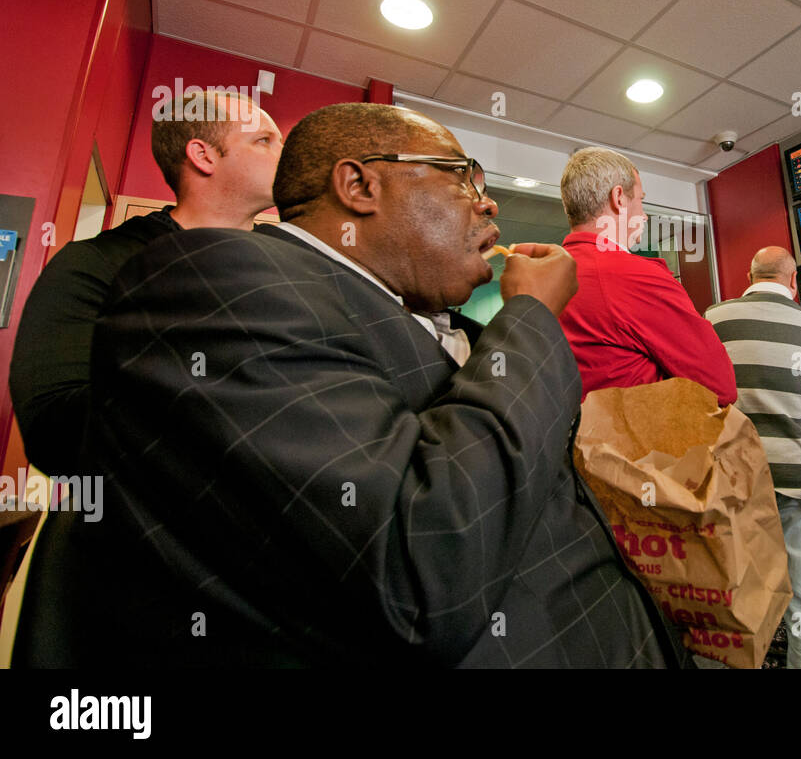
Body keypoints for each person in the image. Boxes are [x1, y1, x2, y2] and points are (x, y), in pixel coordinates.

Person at [13, 103, 686, 668]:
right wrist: (531, 319)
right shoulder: (220, 283)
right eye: (460, 177)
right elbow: (426, 565)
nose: (488, 202)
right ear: (360, 187)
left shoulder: (424, 318)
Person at [9, 89, 282, 477]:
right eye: (264, 141)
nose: (285, 154)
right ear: (204, 156)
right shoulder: (96, 264)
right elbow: (53, 432)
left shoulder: (293, 267)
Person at [705, 246, 801, 668]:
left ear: (749, 279)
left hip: (735, 477)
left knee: (728, 600)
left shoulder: (714, 318)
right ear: (792, 283)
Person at [558, 146, 736, 406]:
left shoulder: (543, 276)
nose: (644, 214)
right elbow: (720, 387)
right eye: (640, 199)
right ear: (619, 197)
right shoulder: (635, 276)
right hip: (635, 443)